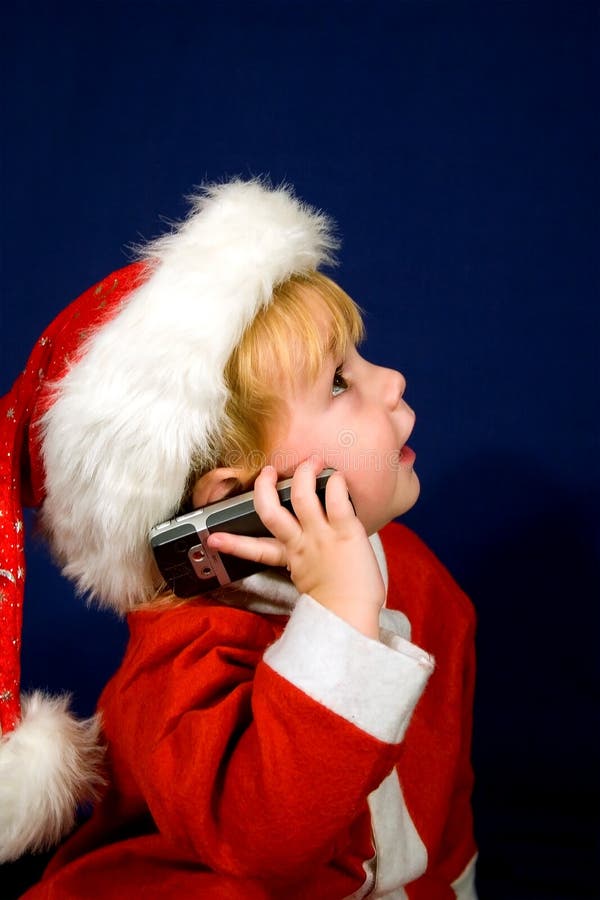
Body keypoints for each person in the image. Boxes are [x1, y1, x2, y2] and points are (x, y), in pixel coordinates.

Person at [0, 179, 477, 897]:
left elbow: (444, 797)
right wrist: (342, 620)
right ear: (235, 500)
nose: (392, 381)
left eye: (362, 356)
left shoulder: (414, 572)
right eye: (340, 383)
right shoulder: (175, 673)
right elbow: (269, 847)